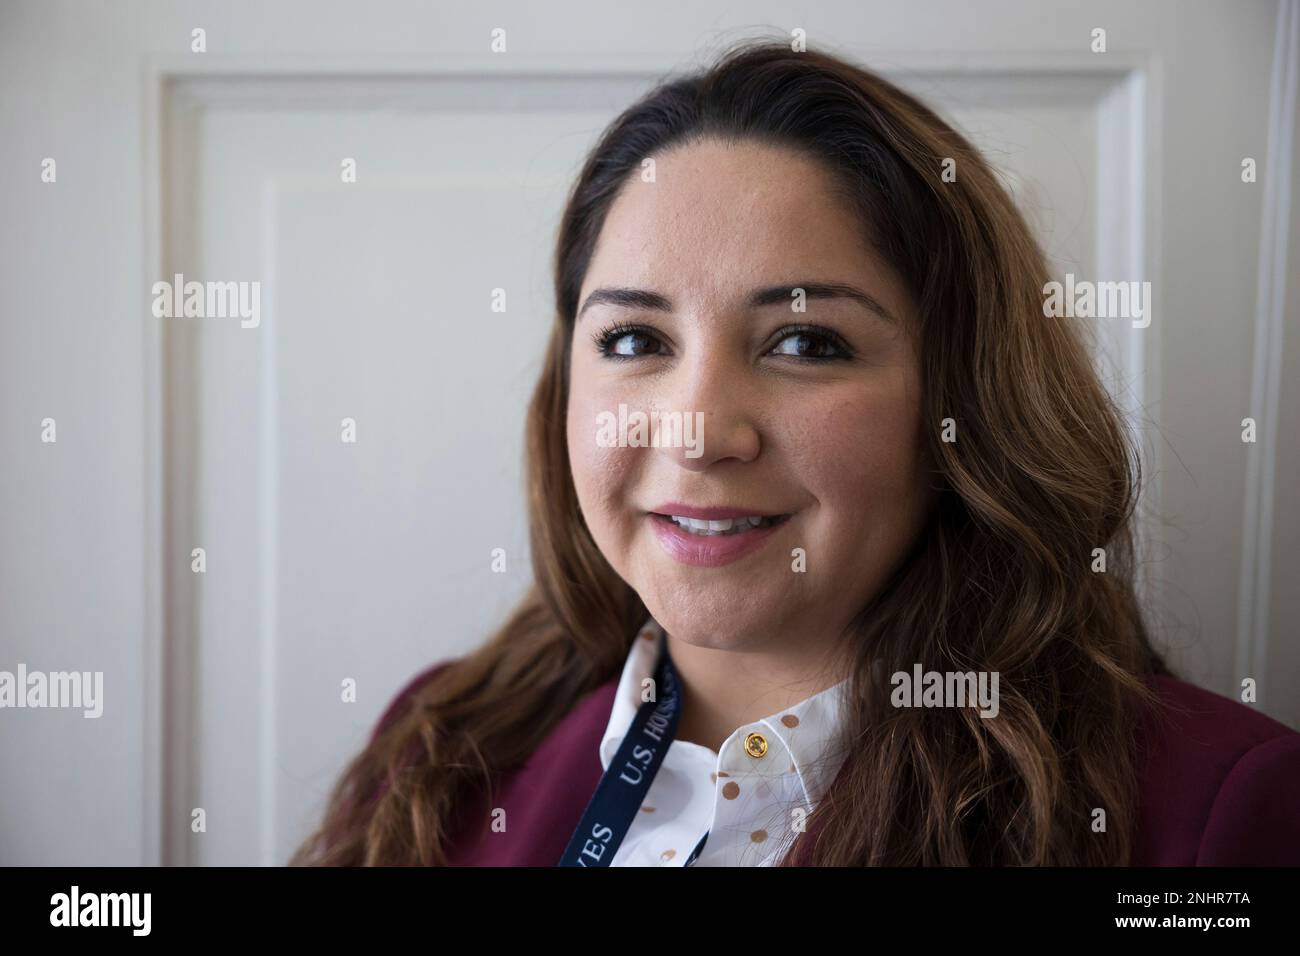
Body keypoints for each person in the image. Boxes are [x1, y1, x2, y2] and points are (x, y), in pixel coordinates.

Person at [292, 38, 1300, 867]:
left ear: (960, 397)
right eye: (635, 340)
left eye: (805, 341)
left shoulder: (1211, 812)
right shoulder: (435, 745)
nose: (699, 431)